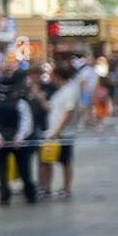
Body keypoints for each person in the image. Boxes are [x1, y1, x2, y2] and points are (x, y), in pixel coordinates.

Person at [0, 55, 36, 206]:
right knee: (1, 171)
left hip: (18, 137)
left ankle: (30, 193)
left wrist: (20, 137)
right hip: (1, 138)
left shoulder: (20, 97)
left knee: (24, 169)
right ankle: (4, 195)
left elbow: (26, 118)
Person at [39, 64, 79, 200]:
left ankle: (66, 188)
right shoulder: (59, 91)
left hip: (64, 134)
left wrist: (58, 131)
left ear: (57, 76)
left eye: (51, 76)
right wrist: (40, 98)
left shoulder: (70, 90)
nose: (50, 79)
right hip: (51, 133)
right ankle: (46, 188)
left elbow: (68, 112)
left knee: (65, 162)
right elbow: (51, 109)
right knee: (46, 161)